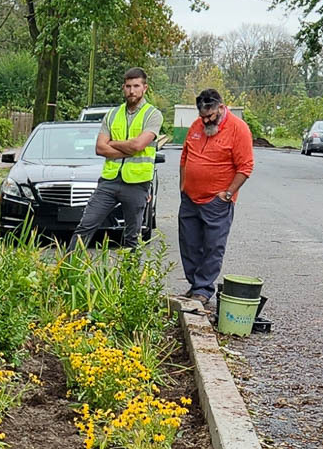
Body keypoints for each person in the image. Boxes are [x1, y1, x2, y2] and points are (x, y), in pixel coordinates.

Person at [177, 88, 255, 310]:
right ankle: (195, 285)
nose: (206, 120)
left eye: (210, 116)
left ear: (221, 107)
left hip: (217, 201)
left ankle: (203, 289)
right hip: (190, 198)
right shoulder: (196, 126)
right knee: (189, 243)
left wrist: (227, 194)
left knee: (212, 246)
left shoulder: (238, 129)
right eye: (202, 116)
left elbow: (246, 167)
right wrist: (183, 186)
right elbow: (184, 157)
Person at [72, 69, 163, 250]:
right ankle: (67, 271)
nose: (132, 91)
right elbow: (100, 148)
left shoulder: (153, 114)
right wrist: (129, 148)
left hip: (137, 183)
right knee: (85, 226)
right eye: (128, 86)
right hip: (109, 181)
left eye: (136, 86)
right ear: (123, 88)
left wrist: (113, 143)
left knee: (132, 236)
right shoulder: (113, 114)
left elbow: (138, 145)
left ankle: (129, 277)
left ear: (145, 88)